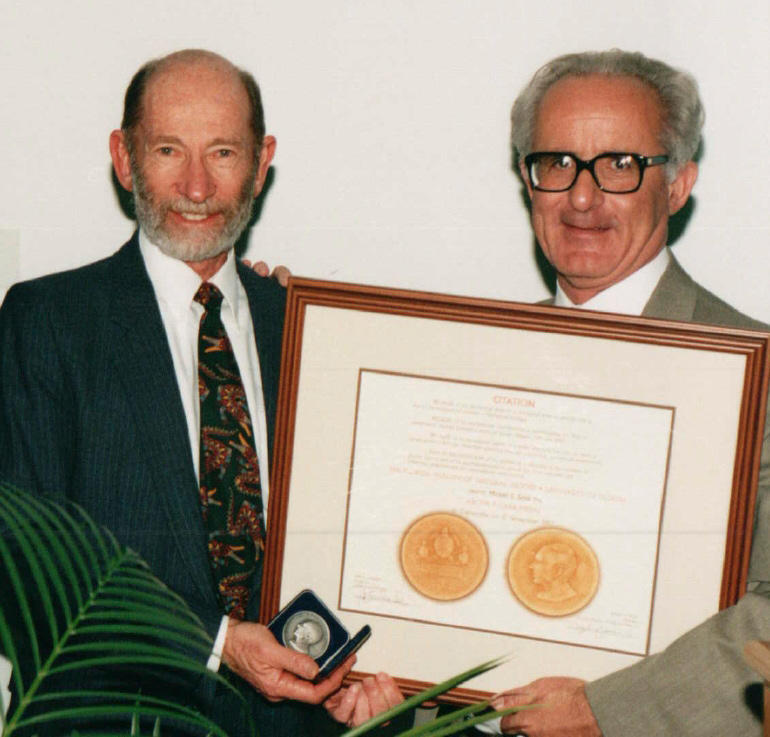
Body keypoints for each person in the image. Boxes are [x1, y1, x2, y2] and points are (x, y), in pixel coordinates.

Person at [0, 49, 401, 735]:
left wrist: (374, 675)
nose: (195, 184)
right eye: (166, 150)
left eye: (222, 151)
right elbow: (31, 570)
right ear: (124, 159)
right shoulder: (49, 322)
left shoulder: (314, 331)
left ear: (261, 161)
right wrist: (216, 641)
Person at [479, 49, 770, 737]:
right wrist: (399, 687)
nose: (581, 197)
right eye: (556, 163)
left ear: (677, 185)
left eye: (620, 165)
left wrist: (609, 711)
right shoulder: (477, 366)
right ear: (529, 183)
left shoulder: (761, 375)